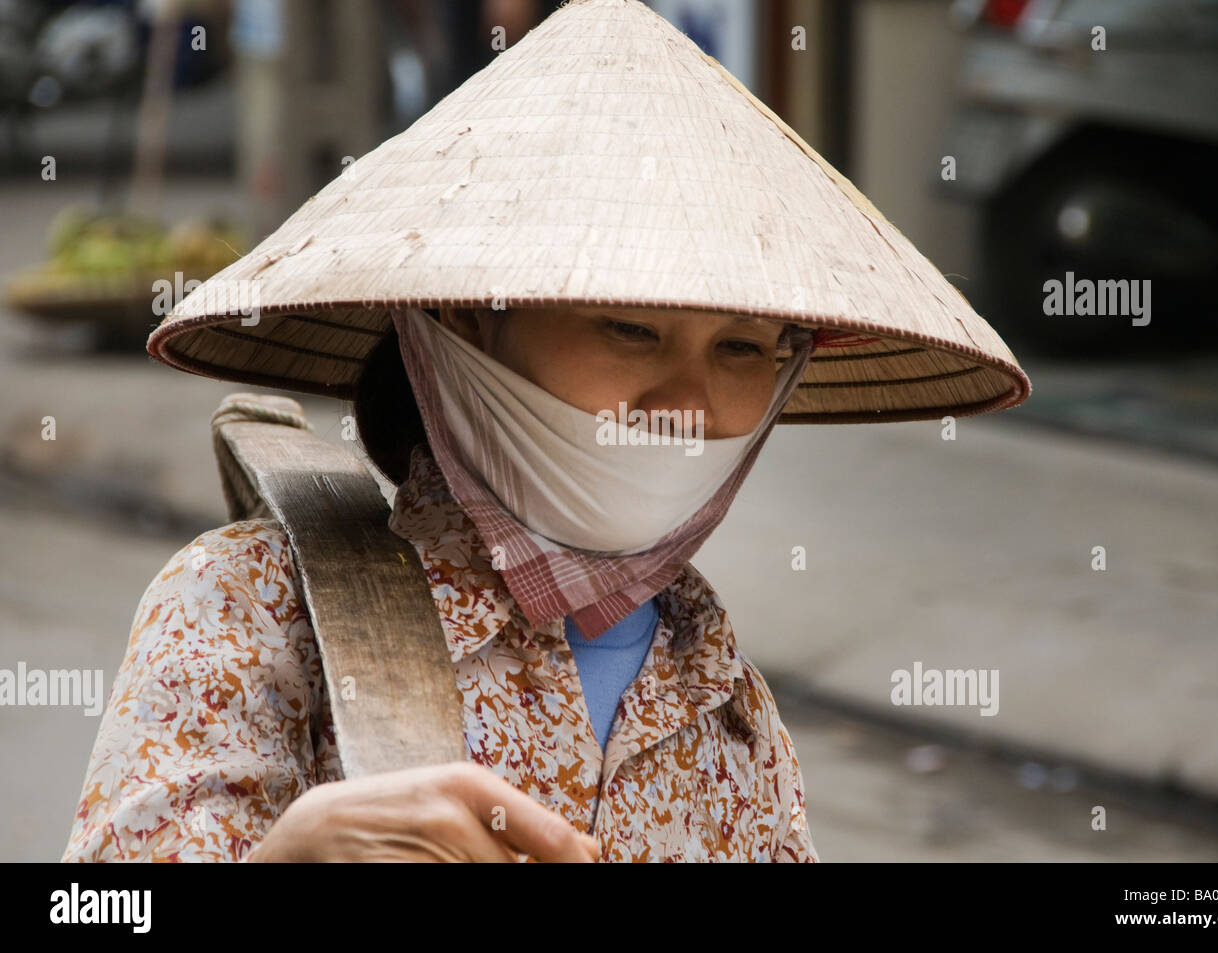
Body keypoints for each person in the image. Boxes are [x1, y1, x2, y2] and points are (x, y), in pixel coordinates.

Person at [62, 0, 1029, 863]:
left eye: (743, 350)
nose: (685, 400)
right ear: (471, 326)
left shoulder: (728, 704)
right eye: (630, 329)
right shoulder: (247, 606)